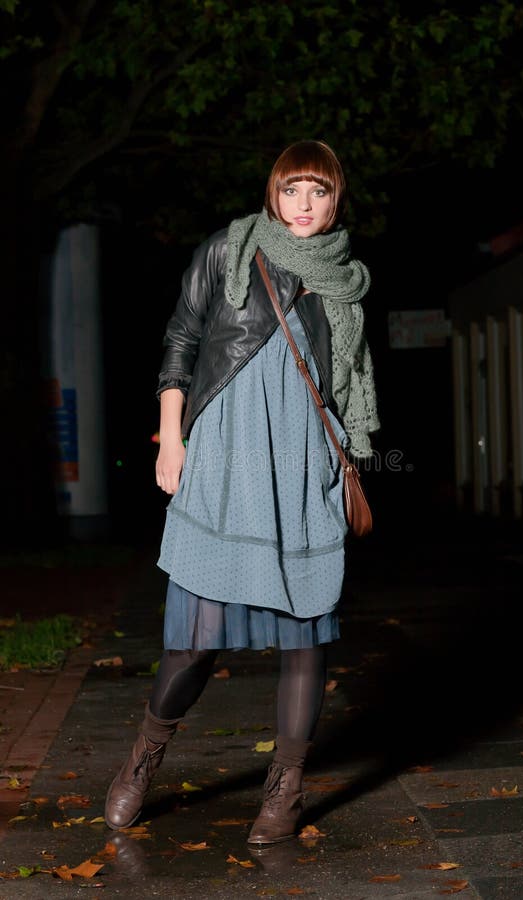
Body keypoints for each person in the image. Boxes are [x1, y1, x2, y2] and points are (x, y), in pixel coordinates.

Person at [104, 139, 380, 845]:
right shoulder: (229, 250)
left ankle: (283, 792)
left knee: (305, 636)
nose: (305, 206)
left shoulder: (344, 278)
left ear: (336, 199)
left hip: (299, 460)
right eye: (293, 191)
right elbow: (182, 337)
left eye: (319, 192)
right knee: (192, 642)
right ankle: (145, 756)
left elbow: (342, 382)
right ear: (272, 194)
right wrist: (171, 435)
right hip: (224, 457)